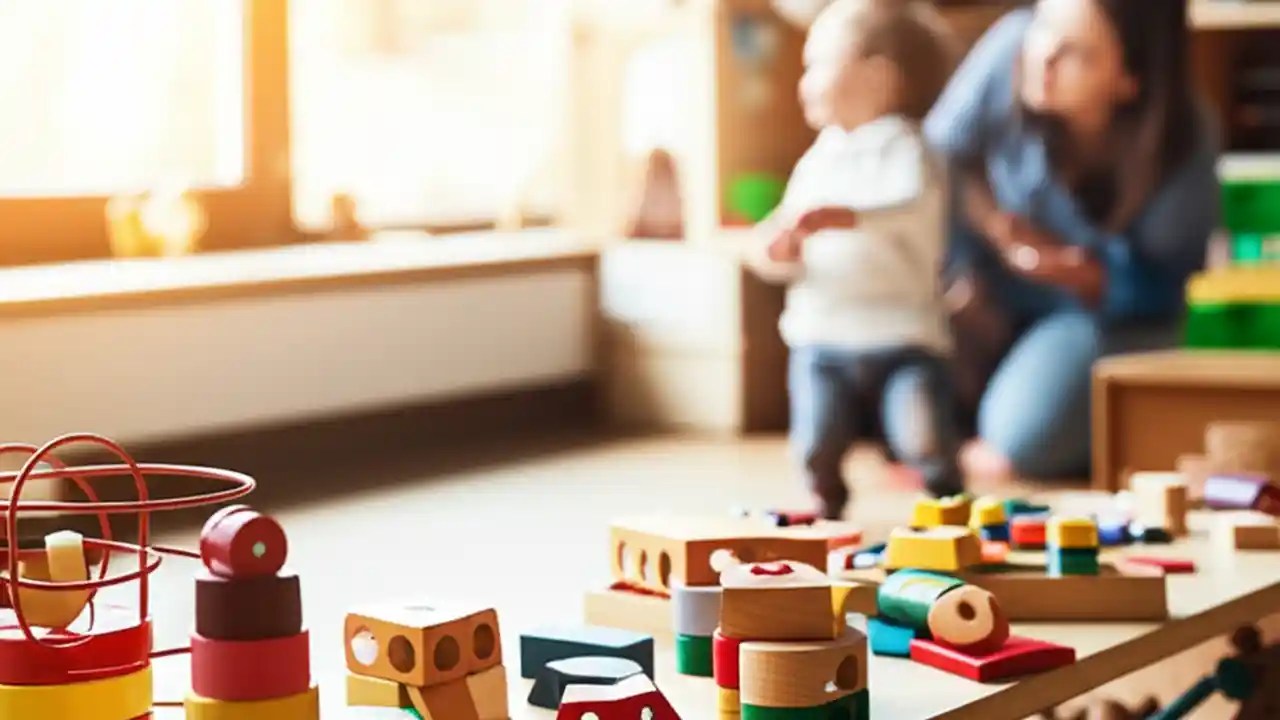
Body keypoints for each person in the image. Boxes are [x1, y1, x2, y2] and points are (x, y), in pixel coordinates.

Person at [924, 0, 1220, 481]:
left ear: (1129, 78)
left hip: (1099, 318)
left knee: (1025, 437)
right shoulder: (1010, 46)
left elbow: (1165, 288)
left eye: (1077, 53)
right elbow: (937, 160)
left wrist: (1075, 271)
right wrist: (996, 236)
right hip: (992, 291)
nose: (1043, 58)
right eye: (1043, 30)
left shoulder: (1182, 137)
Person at [745, 0, 962, 520]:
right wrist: (776, 248)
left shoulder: (909, 151)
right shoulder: (820, 158)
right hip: (824, 336)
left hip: (903, 336)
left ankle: (948, 501)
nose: (804, 82)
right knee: (817, 440)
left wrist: (843, 216)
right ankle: (824, 502)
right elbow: (781, 229)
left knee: (923, 436)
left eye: (817, 65)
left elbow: (907, 206)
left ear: (877, 78)